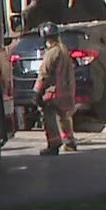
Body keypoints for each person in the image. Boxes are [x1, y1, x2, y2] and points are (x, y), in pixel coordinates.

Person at [35, 24, 78, 156]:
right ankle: (69, 142)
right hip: (67, 91)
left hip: (54, 92)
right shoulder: (64, 50)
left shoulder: (52, 52)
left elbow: (44, 74)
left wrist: (37, 92)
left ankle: (53, 144)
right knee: (64, 116)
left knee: (48, 116)